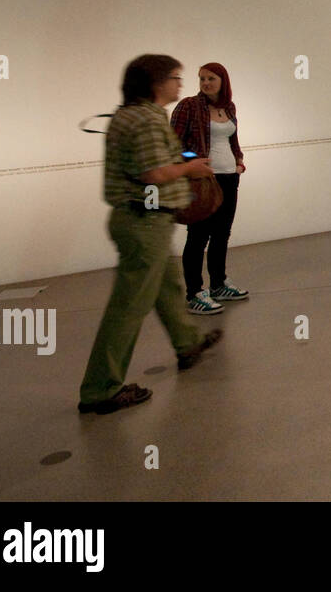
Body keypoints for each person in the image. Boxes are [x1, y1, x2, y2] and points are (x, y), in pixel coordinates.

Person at [78, 55, 223, 415]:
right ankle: (101, 389)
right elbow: (153, 173)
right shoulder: (144, 118)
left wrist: (186, 159)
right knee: (129, 307)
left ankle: (187, 344)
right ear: (157, 83)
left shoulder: (137, 115)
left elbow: (159, 161)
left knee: (169, 288)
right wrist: (191, 168)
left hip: (148, 222)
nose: (180, 84)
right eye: (176, 78)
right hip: (143, 222)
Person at [171, 62, 249, 314]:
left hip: (229, 177)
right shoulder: (189, 106)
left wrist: (238, 160)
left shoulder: (229, 107)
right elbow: (174, 143)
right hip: (203, 180)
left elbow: (232, 138)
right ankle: (194, 292)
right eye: (202, 78)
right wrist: (194, 161)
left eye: (211, 78)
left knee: (222, 233)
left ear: (222, 81)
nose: (205, 83)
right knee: (198, 236)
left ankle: (218, 284)